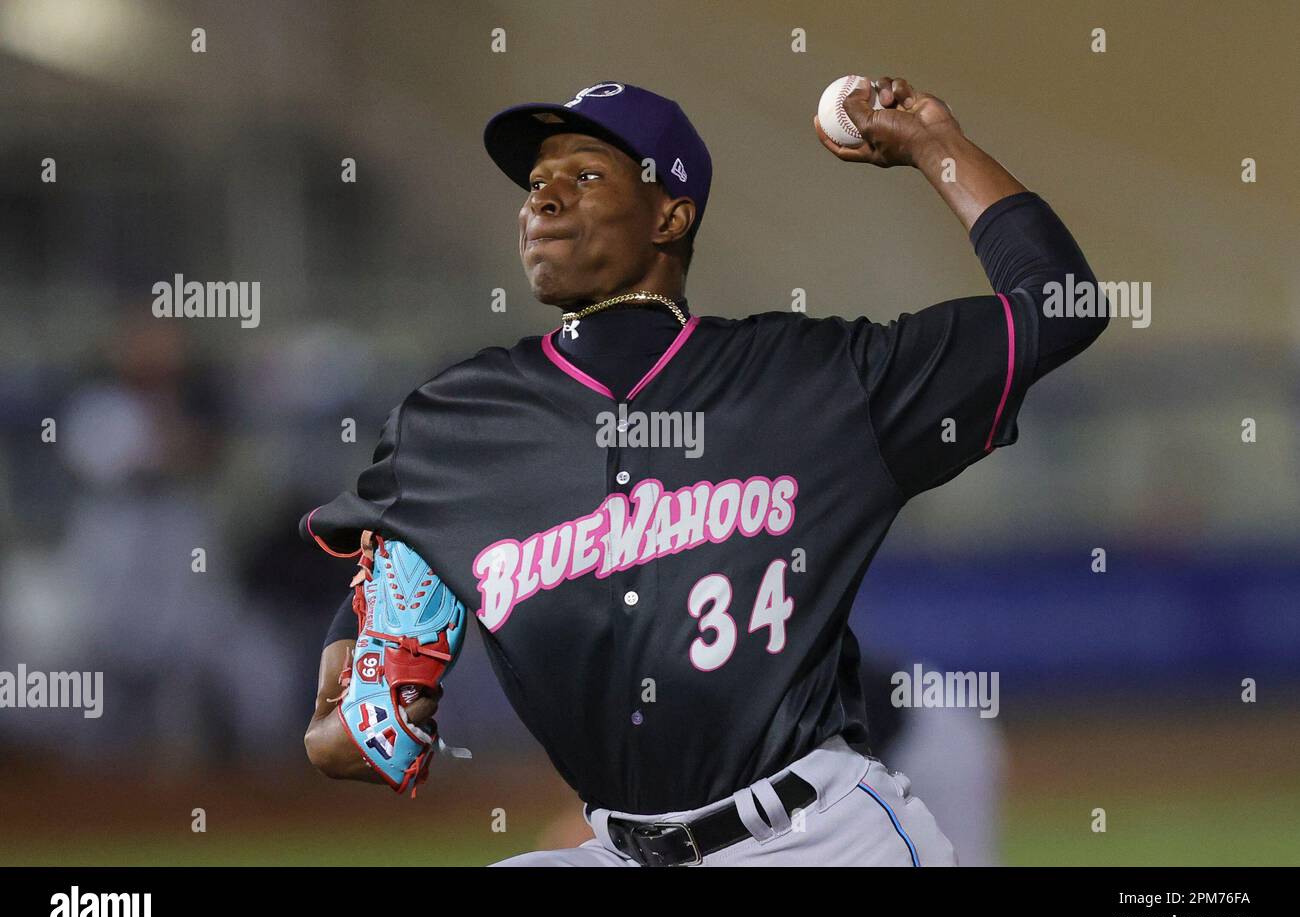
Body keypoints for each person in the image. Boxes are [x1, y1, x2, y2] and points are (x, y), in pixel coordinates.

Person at [301, 78, 1107, 866]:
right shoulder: (451, 425)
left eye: (584, 176)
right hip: (616, 848)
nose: (542, 200)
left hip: (816, 838)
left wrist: (937, 145)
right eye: (537, 182)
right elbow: (383, 593)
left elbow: (1060, 300)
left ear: (671, 215)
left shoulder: (814, 380)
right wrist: (345, 691)